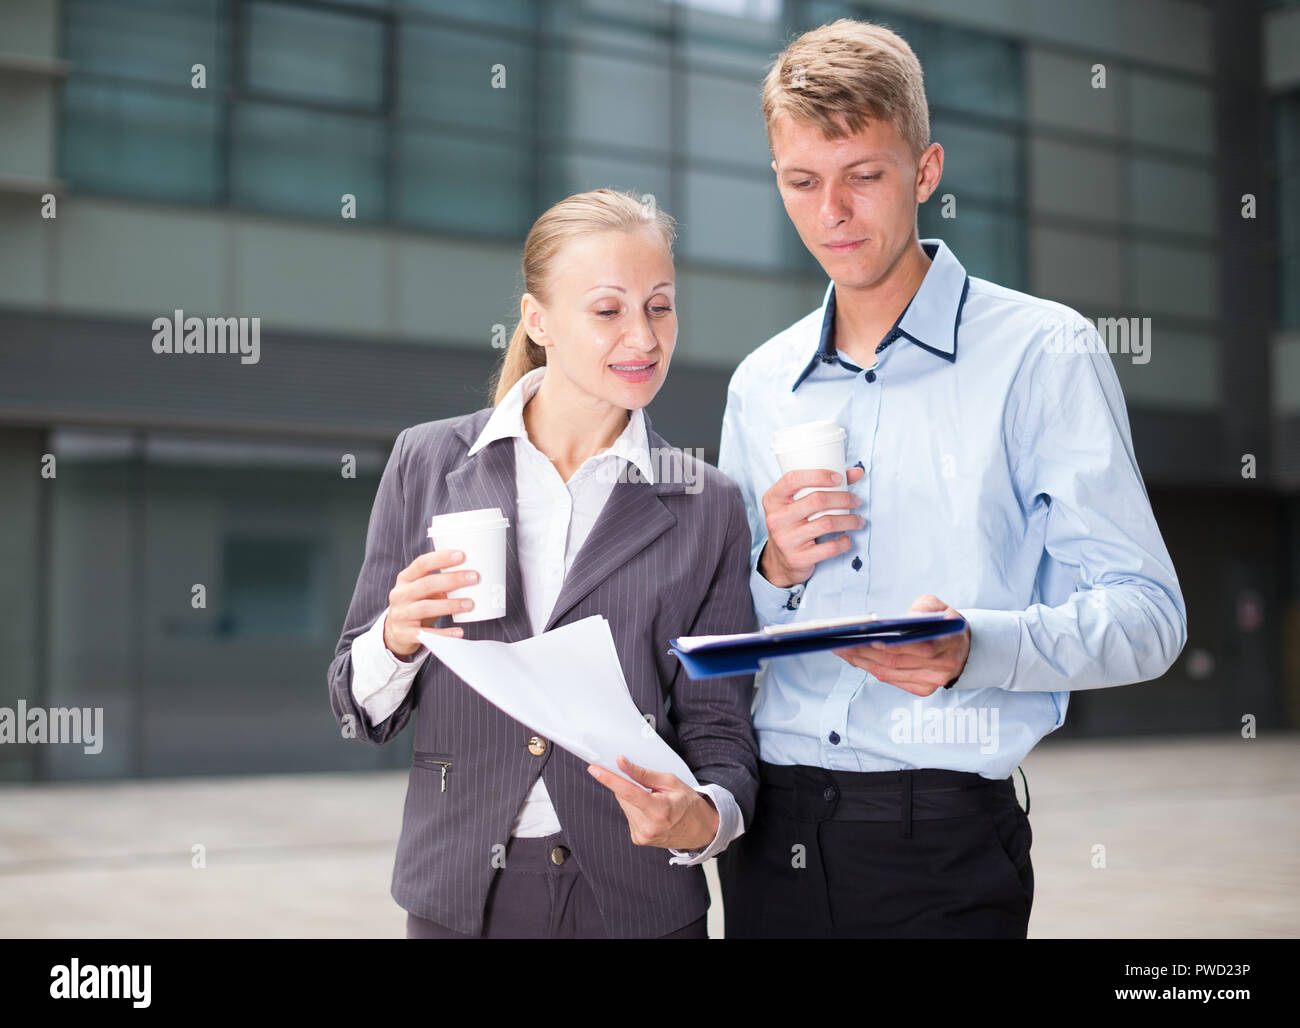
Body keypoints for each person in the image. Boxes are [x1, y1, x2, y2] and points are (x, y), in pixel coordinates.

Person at [715, 19, 1187, 938]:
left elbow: (1150, 617)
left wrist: (978, 647)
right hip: (772, 840)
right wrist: (770, 570)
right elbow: (726, 630)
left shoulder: (1044, 353)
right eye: (803, 182)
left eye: (865, 175)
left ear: (925, 173)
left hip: (941, 843)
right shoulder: (761, 383)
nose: (833, 213)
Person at [327, 189, 758, 939]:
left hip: (636, 898)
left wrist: (703, 819)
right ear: (538, 321)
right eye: (608, 309)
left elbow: (721, 732)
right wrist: (395, 637)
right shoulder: (428, 461)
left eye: (659, 306)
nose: (644, 335)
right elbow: (357, 708)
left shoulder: (707, 502)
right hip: (460, 891)